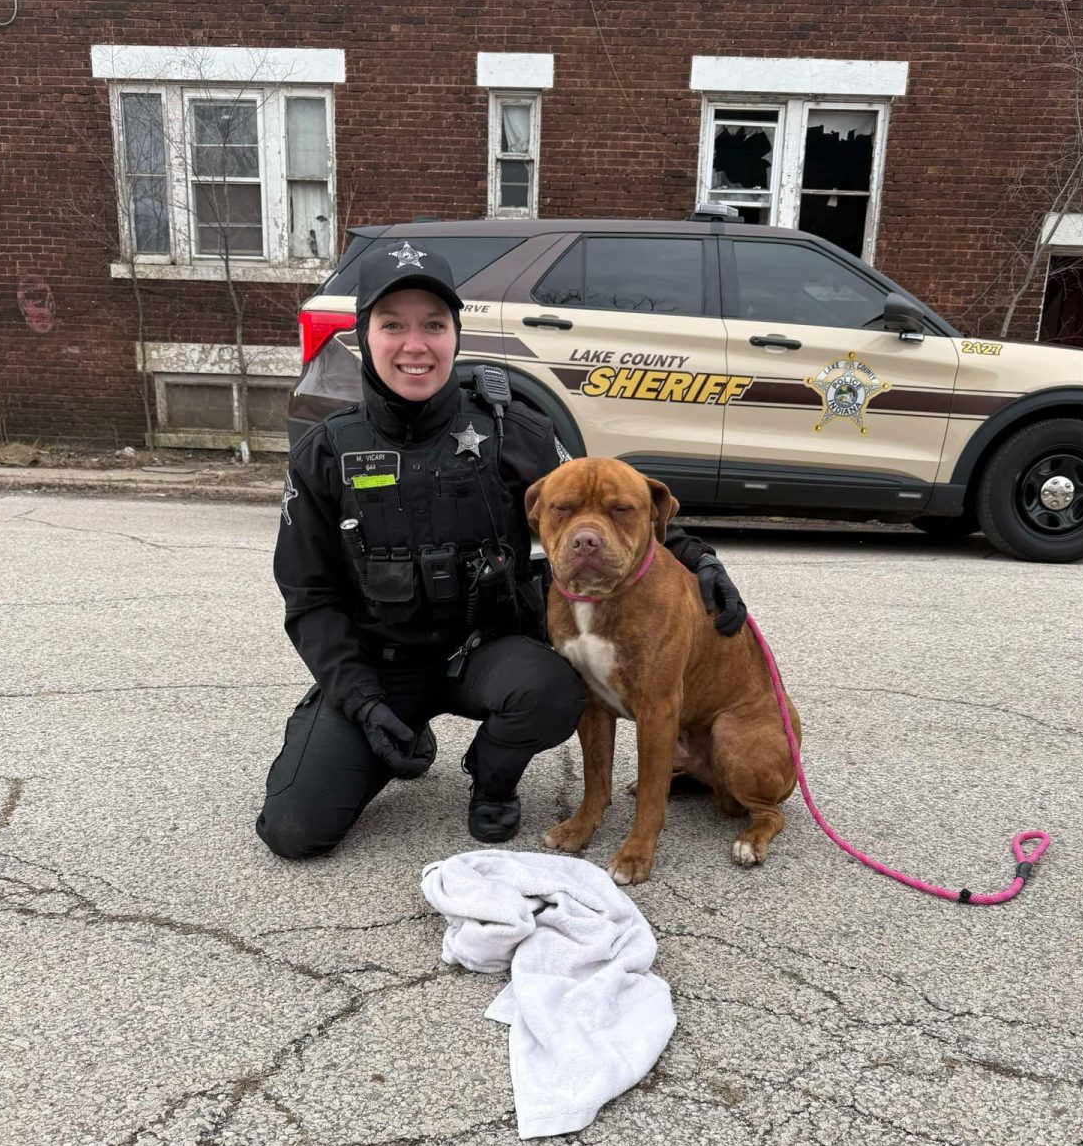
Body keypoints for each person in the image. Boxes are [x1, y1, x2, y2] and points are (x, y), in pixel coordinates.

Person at [257, 242, 748, 859]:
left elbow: (604, 502)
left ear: (455, 335)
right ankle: (401, 730)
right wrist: (360, 699)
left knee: (554, 689)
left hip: (483, 654)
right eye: (393, 325)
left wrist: (698, 557)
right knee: (295, 830)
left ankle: (491, 780)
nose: (416, 345)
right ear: (365, 335)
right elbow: (309, 597)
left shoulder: (511, 429)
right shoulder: (327, 451)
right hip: (379, 665)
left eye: (434, 325)